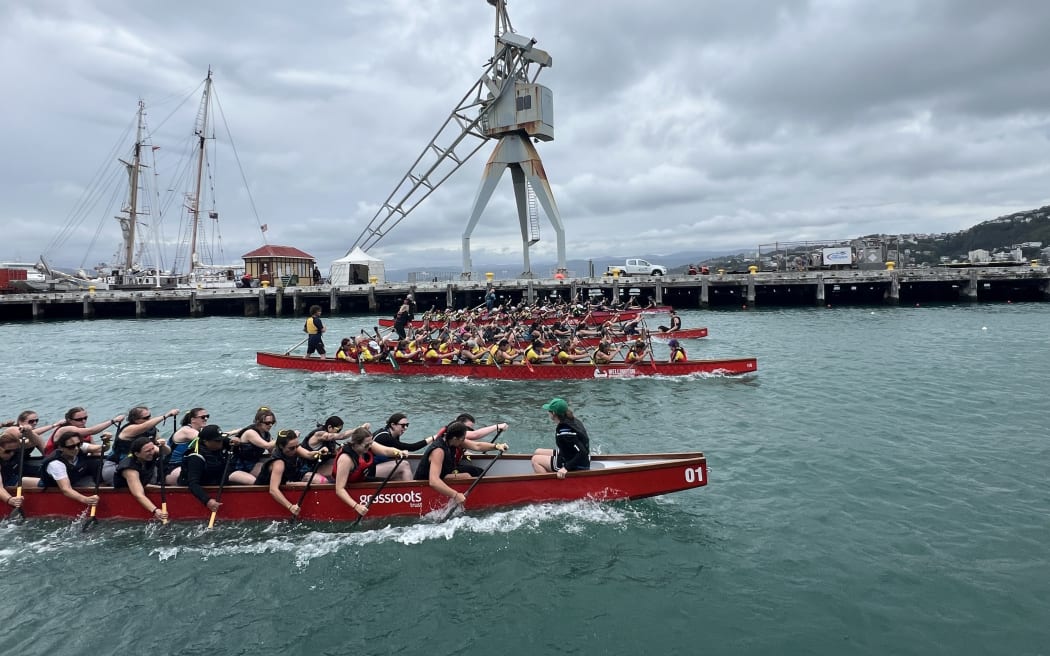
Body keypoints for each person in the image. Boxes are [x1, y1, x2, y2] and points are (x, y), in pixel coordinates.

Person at [414, 421, 507, 507]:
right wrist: (455, 495)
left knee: (477, 472)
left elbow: (477, 446)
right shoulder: (438, 451)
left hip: (445, 473)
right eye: (462, 439)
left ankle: (483, 497)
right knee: (466, 476)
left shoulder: (453, 440)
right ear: (455, 438)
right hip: (424, 483)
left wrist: (496, 446)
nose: (463, 441)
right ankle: (470, 501)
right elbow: (433, 481)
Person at [177, 425, 256, 512]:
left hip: (217, 479)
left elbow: (235, 448)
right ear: (206, 441)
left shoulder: (220, 442)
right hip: (200, 486)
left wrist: (237, 444)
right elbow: (193, 484)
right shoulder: (196, 457)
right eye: (218, 441)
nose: (221, 442)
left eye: (221, 439)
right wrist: (208, 501)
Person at [333, 426, 406, 517]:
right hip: (350, 485)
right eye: (366, 445)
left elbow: (386, 451)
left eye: (371, 443)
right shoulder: (346, 459)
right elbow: (339, 489)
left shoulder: (368, 443)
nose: (370, 446)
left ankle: (402, 506)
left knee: (397, 478)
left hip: (362, 479)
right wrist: (356, 506)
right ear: (355, 444)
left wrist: (399, 452)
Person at [105, 405, 179, 483]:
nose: (150, 419)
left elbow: (166, 452)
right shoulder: (129, 429)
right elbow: (144, 426)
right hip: (118, 467)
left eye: (150, 416)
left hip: (142, 466)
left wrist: (163, 446)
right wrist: (166, 415)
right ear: (135, 420)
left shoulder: (152, 430)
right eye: (146, 418)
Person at [255, 429, 319, 517]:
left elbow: (308, 455)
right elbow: (273, 490)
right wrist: (290, 507)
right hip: (263, 491)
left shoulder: (293, 448)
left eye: (297, 446)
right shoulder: (278, 463)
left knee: (319, 480)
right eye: (292, 448)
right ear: (281, 446)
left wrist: (318, 453)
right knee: (308, 484)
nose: (295, 449)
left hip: (287, 481)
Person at [38, 432, 106, 509]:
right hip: (53, 485)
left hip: (72, 478)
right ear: (61, 448)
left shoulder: (77, 447)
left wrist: (106, 441)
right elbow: (66, 489)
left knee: (95, 463)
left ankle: (103, 486)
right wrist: (86, 499)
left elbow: (103, 448)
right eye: (71, 447)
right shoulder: (56, 464)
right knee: (33, 483)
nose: (76, 448)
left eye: (78, 444)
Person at [113, 435, 170, 521]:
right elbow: (138, 494)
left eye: (152, 449)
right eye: (148, 451)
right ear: (137, 454)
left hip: (142, 483)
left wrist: (163, 446)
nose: (152, 452)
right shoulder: (130, 469)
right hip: (125, 490)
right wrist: (155, 510)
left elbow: (167, 452)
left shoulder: (151, 451)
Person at [531, 398, 590, 478]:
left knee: (535, 460)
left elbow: (583, 452)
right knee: (537, 451)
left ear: (554, 413)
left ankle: (548, 487)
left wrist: (565, 468)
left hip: (576, 464)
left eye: (549, 411)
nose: (548, 413)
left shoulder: (565, 432)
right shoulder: (573, 421)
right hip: (569, 454)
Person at [371, 413, 432, 480]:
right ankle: (412, 489)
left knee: (400, 475)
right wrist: (433, 438)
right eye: (403, 425)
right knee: (404, 465)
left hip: (378, 465)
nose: (405, 428)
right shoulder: (384, 437)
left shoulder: (393, 434)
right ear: (393, 425)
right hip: (369, 470)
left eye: (407, 425)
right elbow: (412, 447)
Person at [45, 407, 124, 456]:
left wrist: (106, 441)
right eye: (79, 419)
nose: (83, 421)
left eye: (85, 418)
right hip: (55, 461)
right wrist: (113, 421)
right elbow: (92, 430)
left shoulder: (83, 431)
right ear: (69, 420)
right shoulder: (64, 429)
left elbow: (98, 450)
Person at [165, 408, 209, 483]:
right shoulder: (186, 431)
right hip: (173, 467)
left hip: (186, 464)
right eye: (202, 417)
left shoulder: (198, 431)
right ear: (193, 420)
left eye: (207, 416)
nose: (206, 419)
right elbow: (209, 438)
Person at [232, 407, 277, 478]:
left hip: (255, 461)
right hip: (243, 466)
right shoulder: (250, 433)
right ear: (258, 422)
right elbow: (267, 445)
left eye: (272, 422)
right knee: (269, 474)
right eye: (267, 423)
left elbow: (272, 450)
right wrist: (284, 438)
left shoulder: (266, 434)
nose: (270, 425)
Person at [0, 430, 34, 508]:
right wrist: (10, 500)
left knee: (41, 484)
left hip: (11, 479)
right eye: (8, 451)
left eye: (14, 451)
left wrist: (29, 432)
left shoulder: (15, 446)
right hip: (3, 486)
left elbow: (33, 442)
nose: (12, 453)